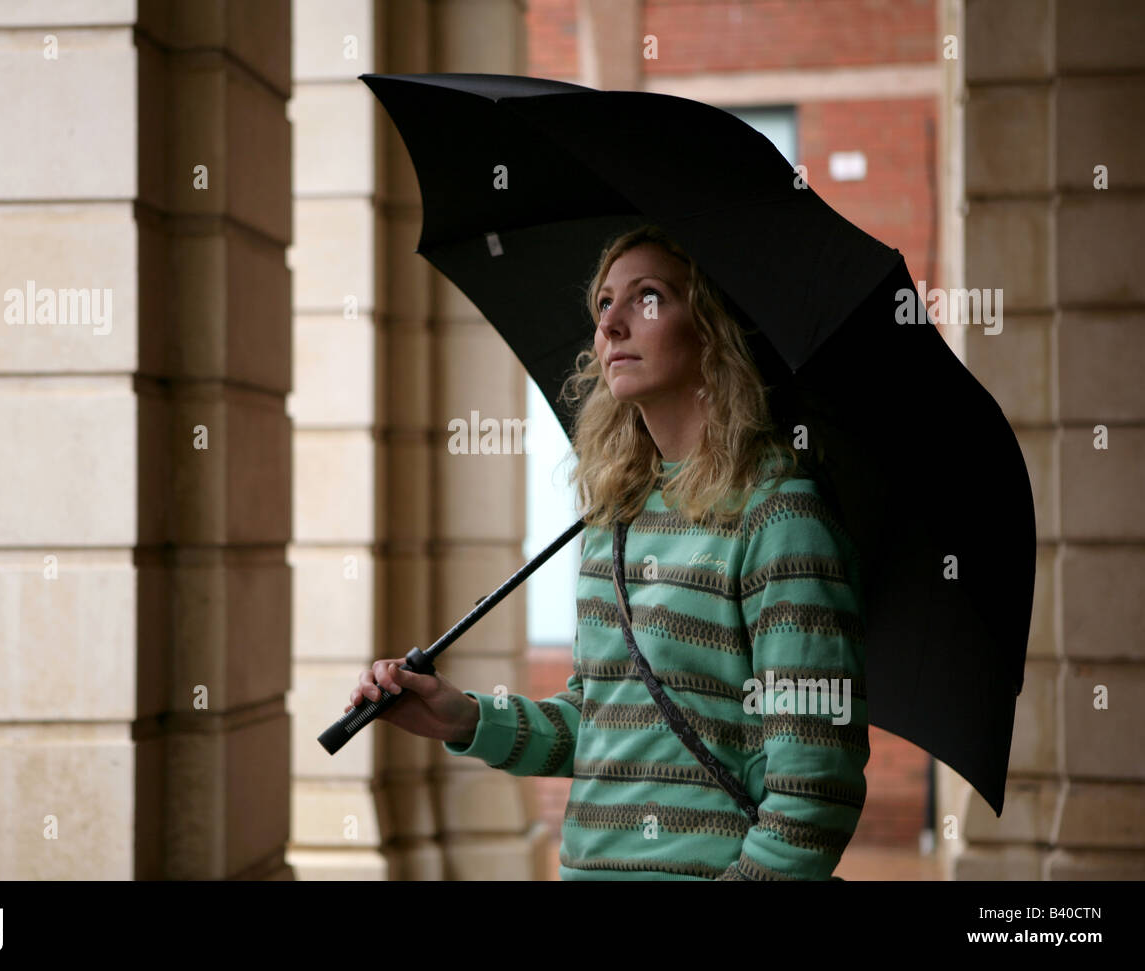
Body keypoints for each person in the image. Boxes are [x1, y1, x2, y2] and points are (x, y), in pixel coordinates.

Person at [346, 224, 869, 880]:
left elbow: (813, 791)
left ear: (713, 326)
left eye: (647, 298)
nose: (612, 325)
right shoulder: (613, 518)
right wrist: (464, 716)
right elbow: (601, 723)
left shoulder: (781, 517)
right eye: (603, 303)